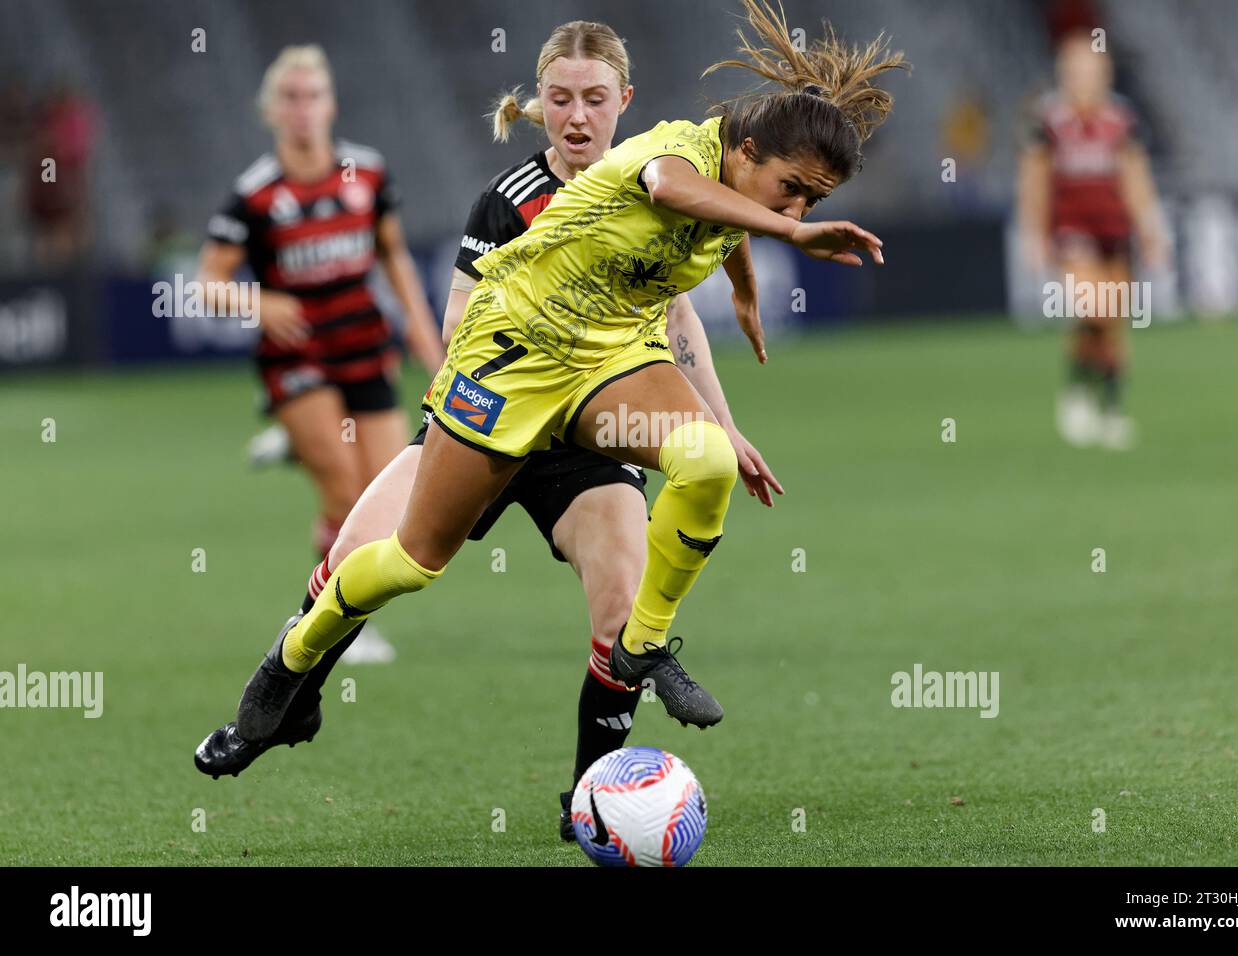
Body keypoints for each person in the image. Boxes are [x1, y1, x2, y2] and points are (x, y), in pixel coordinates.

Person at [229, 0, 902, 804]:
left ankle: (624, 699)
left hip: (603, 370)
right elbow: (677, 193)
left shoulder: (738, 179)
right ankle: (291, 663)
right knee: (408, 563)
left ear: (624, 97)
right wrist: (788, 238)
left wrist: (745, 299)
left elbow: (712, 243)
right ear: (539, 101)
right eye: (560, 97)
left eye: (595, 97)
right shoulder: (661, 162)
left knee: (705, 464)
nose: (578, 116)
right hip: (507, 369)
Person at [196, 46, 445, 660]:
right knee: (341, 488)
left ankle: (295, 446)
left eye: (312, 96)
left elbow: (393, 258)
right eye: (290, 98)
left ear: (330, 103)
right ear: (271, 111)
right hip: (298, 360)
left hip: (363, 346)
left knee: (389, 505)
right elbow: (207, 283)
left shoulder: (368, 174)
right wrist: (259, 305)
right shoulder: (254, 195)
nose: (302, 109)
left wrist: (426, 341)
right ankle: (329, 625)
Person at [1018, 31, 1167, 450]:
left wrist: (1150, 228)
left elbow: (1135, 177)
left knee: (1113, 323)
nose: (1086, 78)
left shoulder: (1121, 118)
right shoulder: (1048, 120)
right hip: (1072, 230)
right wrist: (1033, 234)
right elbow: (1035, 180)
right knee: (1094, 307)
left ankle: (1104, 404)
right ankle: (1087, 400)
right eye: (1078, 70)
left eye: (1094, 70)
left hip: (1115, 230)